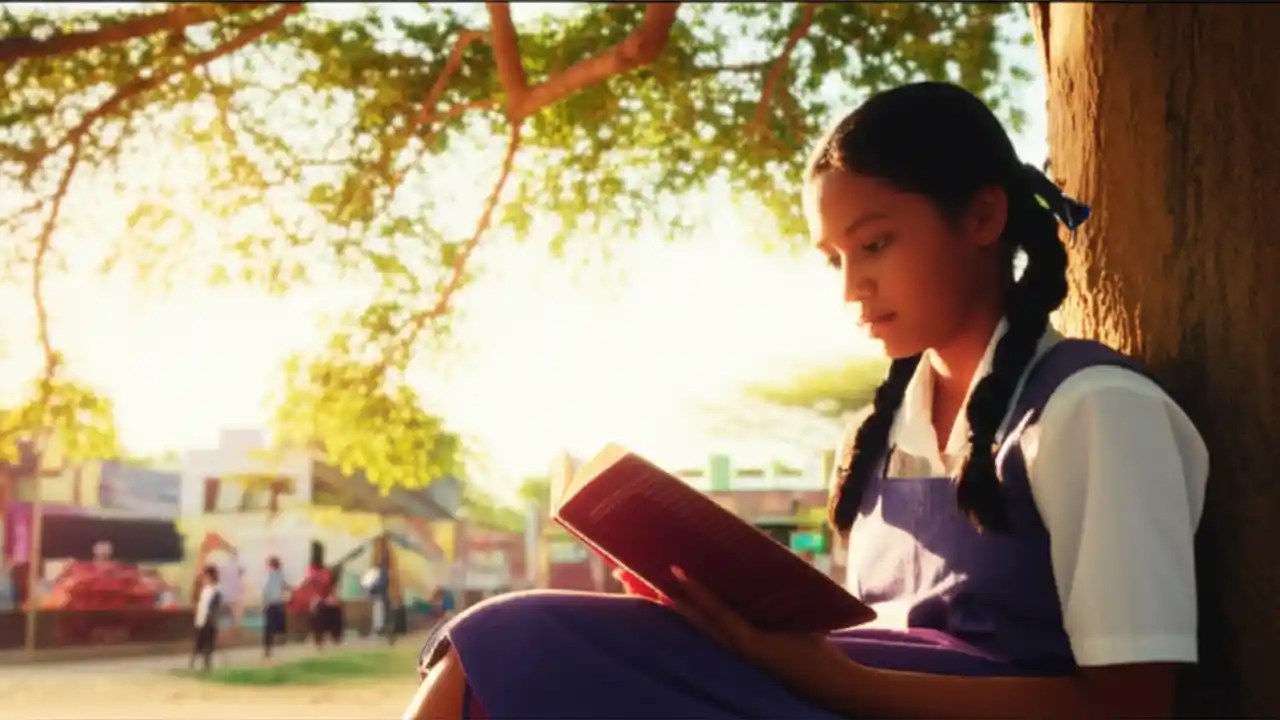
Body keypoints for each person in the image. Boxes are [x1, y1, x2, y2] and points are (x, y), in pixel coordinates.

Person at [403, 82, 1208, 719]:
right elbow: (864, 645)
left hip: (854, 701)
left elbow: (1129, 708)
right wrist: (726, 619)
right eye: (834, 259)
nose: (855, 286)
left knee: (517, 639)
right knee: (512, 665)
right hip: (833, 696)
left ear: (983, 215)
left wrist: (823, 677)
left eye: (877, 243)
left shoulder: (1096, 411)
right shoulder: (884, 434)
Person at [189, 564, 221, 672]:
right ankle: (194, 663)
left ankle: (207, 665)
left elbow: (215, 608)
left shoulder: (215, 591)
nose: (204, 578)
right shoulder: (202, 590)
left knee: (208, 644)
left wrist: (211, 618)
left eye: (206, 576)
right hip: (200, 620)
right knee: (198, 643)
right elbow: (195, 597)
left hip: (210, 621)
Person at [261, 556, 290, 658]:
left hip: (272, 604)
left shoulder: (269, 576)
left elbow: (266, 592)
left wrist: (264, 604)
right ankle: (272, 647)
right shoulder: (281, 576)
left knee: (269, 629)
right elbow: (285, 588)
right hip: (278, 604)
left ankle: (268, 649)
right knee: (278, 627)